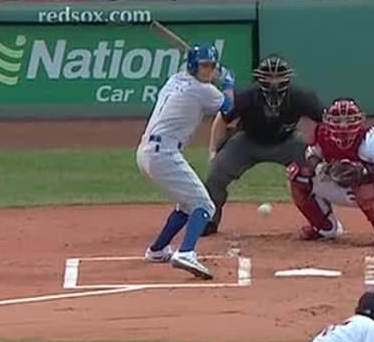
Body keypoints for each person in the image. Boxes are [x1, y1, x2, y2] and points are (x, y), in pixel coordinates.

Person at [138, 43, 236, 280]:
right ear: (193, 66)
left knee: (187, 203)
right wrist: (229, 83)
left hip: (149, 151)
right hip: (163, 153)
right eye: (204, 66)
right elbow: (229, 108)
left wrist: (213, 79)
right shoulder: (204, 91)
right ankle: (186, 252)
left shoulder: (176, 79)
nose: (208, 70)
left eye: (211, 66)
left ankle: (158, 249)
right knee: (205, 205)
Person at [202, 54, 323, 236]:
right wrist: (213, 150)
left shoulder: (302, 96)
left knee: (317, 171)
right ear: (259, 78)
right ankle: (210, 219)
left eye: (278, 76)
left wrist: (321, 151)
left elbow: (324, 121)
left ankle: (323, 223)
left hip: (288, 142)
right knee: (216, 175)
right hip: (247, 141)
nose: (274, 82)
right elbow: (222, 118)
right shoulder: (246, 96)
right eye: (269, 77)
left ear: (288, 77)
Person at [286, 97, 374, 246]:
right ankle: (325, 228)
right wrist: (318, 167)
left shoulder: (370, 138)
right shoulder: (322, 134)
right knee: (298, 176)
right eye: (338, 120)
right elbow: (312, 155)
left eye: (348, 120)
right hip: (339, 183)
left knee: (364, 184)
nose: (342, 125)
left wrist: (365, 172)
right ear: (328, 121)